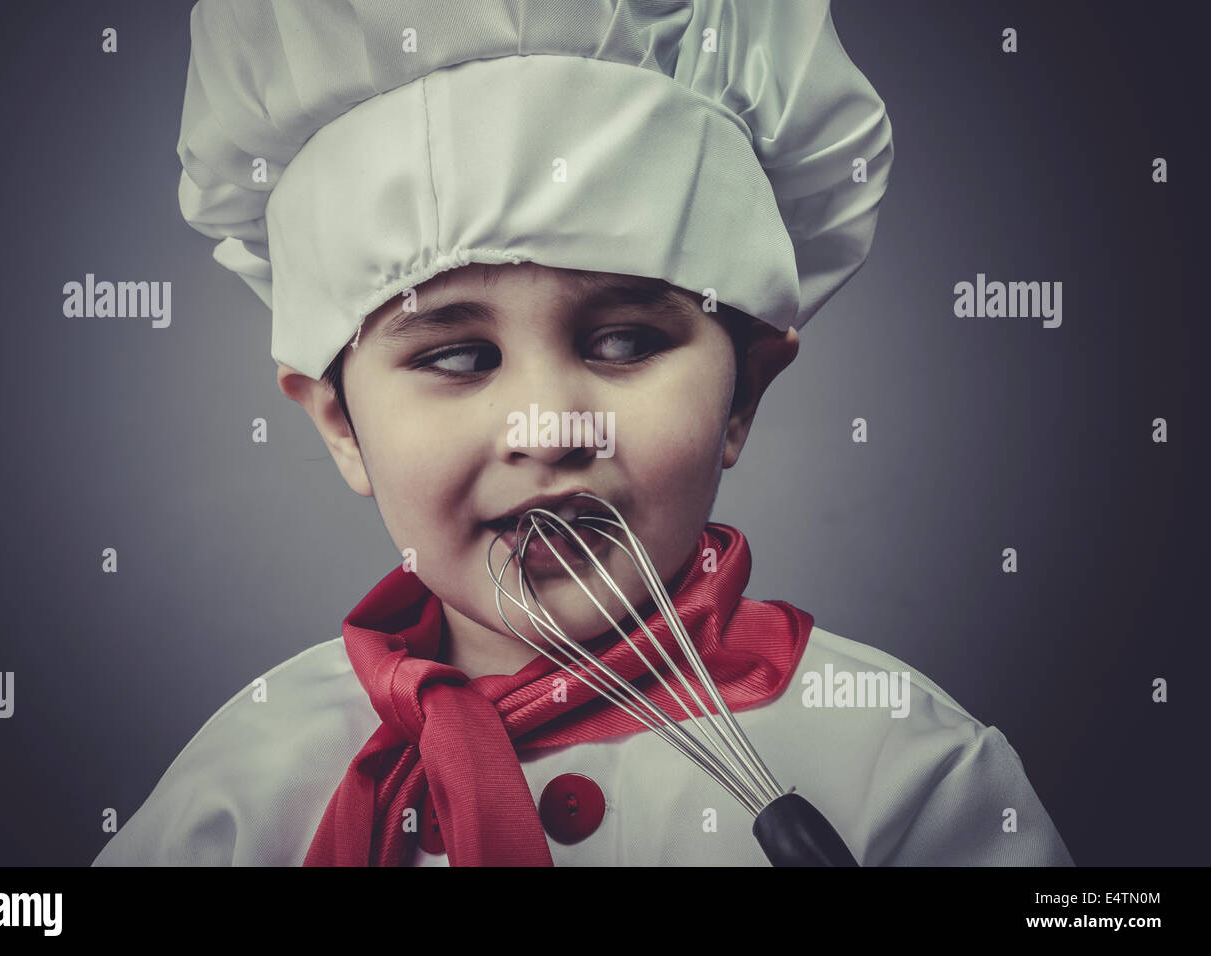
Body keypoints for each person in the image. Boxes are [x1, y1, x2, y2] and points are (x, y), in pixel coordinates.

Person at [94, 0, 1072, 866]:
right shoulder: (246, 783)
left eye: (626, 339)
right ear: (340, 423)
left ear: (743, 398)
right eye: (459, 356)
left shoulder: (903, 764)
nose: (547, 425)